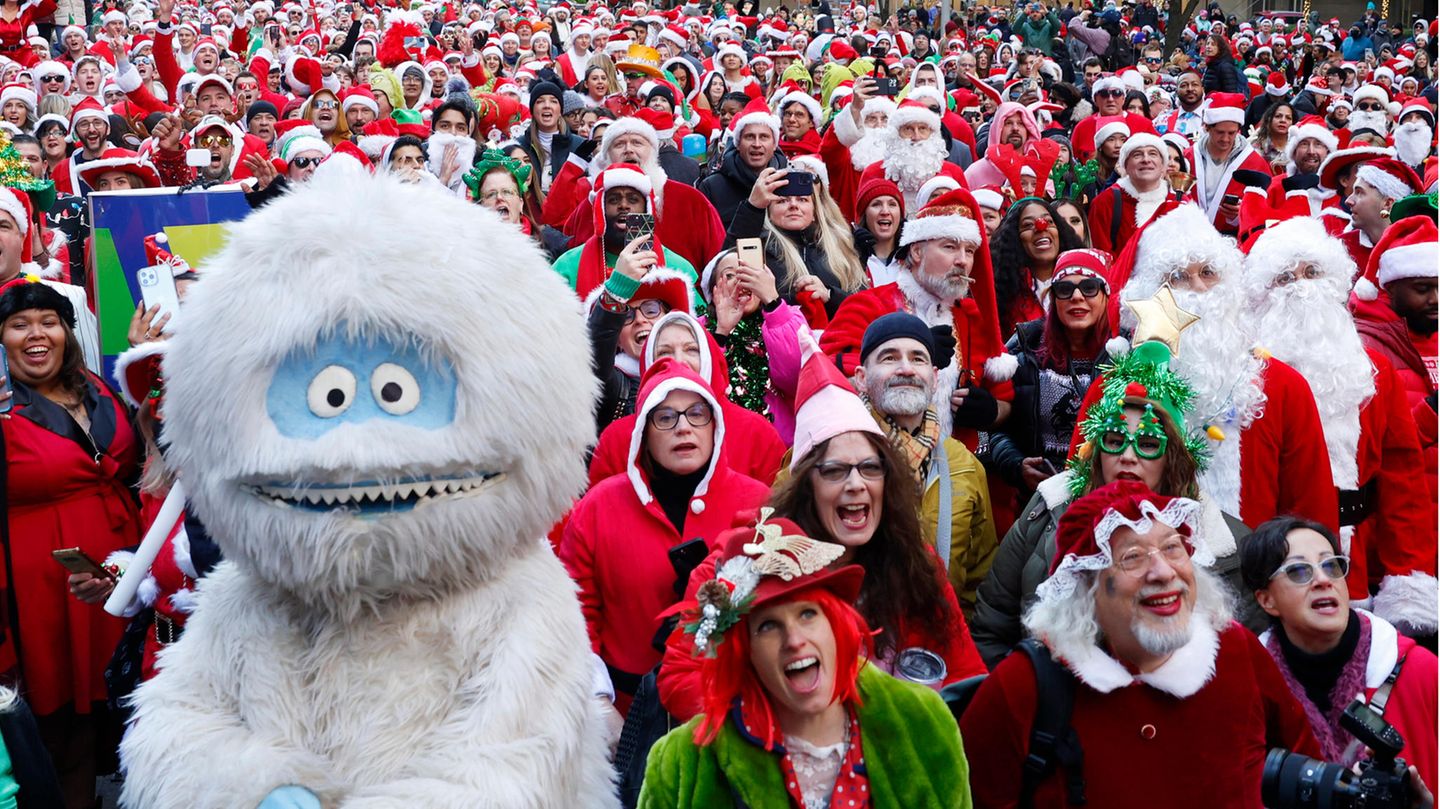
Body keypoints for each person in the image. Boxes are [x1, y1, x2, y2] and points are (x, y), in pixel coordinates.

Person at [963, 481, 1321, 808]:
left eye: (1173, 548)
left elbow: (1307, 769)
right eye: (1132, 556)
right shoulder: (1025, 685)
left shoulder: (1236, 650)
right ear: (1088, 586)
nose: (1164, 571)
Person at [639, 511, 972, 809]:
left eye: (808, 614)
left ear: (836, 624)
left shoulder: (922, 724)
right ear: (746, 653)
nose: (795, 640)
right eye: (768, 626)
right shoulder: (682, 765)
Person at [1242, 215, 1437, 634]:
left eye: (1312, 272)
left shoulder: (1374, 371)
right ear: (1262, 295)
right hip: (1282, 563)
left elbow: (1402, 479)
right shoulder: (1248, 384)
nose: (1302, 287)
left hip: (1363, 557)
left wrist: (1408, 574)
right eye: (1285, 278)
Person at [561, 357, 771, 714]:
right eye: (665, 417)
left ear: (714, 425)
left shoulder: (759, 502)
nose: (683, 428)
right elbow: (574, 612)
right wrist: (596, 701)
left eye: (696, 414)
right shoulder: (598, 506)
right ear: (643, 431)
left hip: (730, 708)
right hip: (623, 714)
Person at [1111, 205, 1338, 532]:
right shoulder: (1122, 384)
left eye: (1208, 272)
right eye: (1178, 277)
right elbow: (1088, 486)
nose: (1199, 289)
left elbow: (1310, 507)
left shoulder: (1283, 385)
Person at [0, 274, 139, 807]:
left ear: (67, 330)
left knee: (129, 716)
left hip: (124, 577)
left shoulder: (98, 387)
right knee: (64, 735)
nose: (36, 334)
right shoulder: (4, 407)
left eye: (48, 321)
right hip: (41, 593)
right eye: (18, 324)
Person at [1242, 516, 1438, 795]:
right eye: (1299, 571)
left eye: (1331, 565)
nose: (1323, 580)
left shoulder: (1422, 670)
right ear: (1266, 600)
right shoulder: (1252, 691)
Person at [823, 188, 1017, 443]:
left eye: (969, 251)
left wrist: (990, 411)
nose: (962, 261)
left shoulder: (972, 318)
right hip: (879, 460)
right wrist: (917, 357)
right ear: (916, 252)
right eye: (950, 246)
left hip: (955, 468)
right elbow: (829, 381)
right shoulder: (866, 306)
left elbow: (1006, 402)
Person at [853, 313, 998, 617]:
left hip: (941, 647)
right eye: (889, 358)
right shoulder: (828, 457)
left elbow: (980, 578)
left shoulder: (966, 465)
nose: (906, 369)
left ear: (934, 378)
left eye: (917, 358)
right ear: (862, 379)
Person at [586, 309, 787, 486]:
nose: (679, 361)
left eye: (692, 350)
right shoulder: (617, 439)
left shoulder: (756, 432)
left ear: (709, 358)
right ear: (648, 363)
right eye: (664, 352)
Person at [986, 250, 1115, 508]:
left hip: (1106, 501)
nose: (1077, 296)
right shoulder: (1024, 352)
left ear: (1106, 294)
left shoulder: (1126, 354)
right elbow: (995, 431)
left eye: (1089, 287)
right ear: (1053, 299)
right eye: (1065, 289)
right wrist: (1017, 465)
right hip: (1039, 502)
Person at [723, 164, 865, 323]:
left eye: (802, 200)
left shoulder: (840, 247)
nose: (793, 205)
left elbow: (865, 306)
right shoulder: (759, 250)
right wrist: (753, 207)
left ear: (814, 211)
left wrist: (830, 295)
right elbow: (726, 265)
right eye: (783, 201)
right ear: (769, 212)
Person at [700, 247, 808, 443]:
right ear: (714, 288)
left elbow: (796, 377)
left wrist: (773, 304)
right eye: (731, 274)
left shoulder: (788, 317)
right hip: (719, 442)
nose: (743, 280)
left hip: (781, 444)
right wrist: (721, 331)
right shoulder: (697, 328)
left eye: (750, 271)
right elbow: (701, 386)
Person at [551, 164, 698, 305]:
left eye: (633, 199)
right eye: (614, 199)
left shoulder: (678, 269)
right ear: (600, 208)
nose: (623, 205)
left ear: (647, 208)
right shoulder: (566, 267)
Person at [989, 197, 1085, 338]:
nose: (1041, 227)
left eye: (1049, 221)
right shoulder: (1002, 294)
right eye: (1028, 225)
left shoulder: (1086, 282)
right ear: (1015, 238)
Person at [1184, 93, 1272, 235]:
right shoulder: (1188, 158)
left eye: (1231, 133)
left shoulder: (1255, 163)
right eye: (1220, 132)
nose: (1225, 139)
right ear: (1207, 127)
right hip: (1188, 236)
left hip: (1232, 242)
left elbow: (1266, 208)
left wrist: (1241, 213)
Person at [697, 95, 788, 228]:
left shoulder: (786, 183)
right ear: (738, 144)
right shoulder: (712, 187)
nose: (757, 144)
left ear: (774, 144)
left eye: (764, 137)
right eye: (749, 137)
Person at [1087, 132, 1177, 255]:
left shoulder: (1179, 201)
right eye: (1137, 155)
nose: (1146, 160)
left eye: (1153, 154)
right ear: (1125, 165)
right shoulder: (1105, 202)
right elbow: (1101, 257)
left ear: (1163, 165)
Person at [1339, 157, 1423, 273]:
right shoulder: (1341, 248)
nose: (1348, 200)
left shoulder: (1419, 250)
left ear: (1388, 203)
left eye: (1359, 192)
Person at [852, 176, 904, 287]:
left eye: (892, 204)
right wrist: (859, 262)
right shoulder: (847, 259)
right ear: (864, 215)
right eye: (876, 204)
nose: (885, 211)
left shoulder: (915, 259)